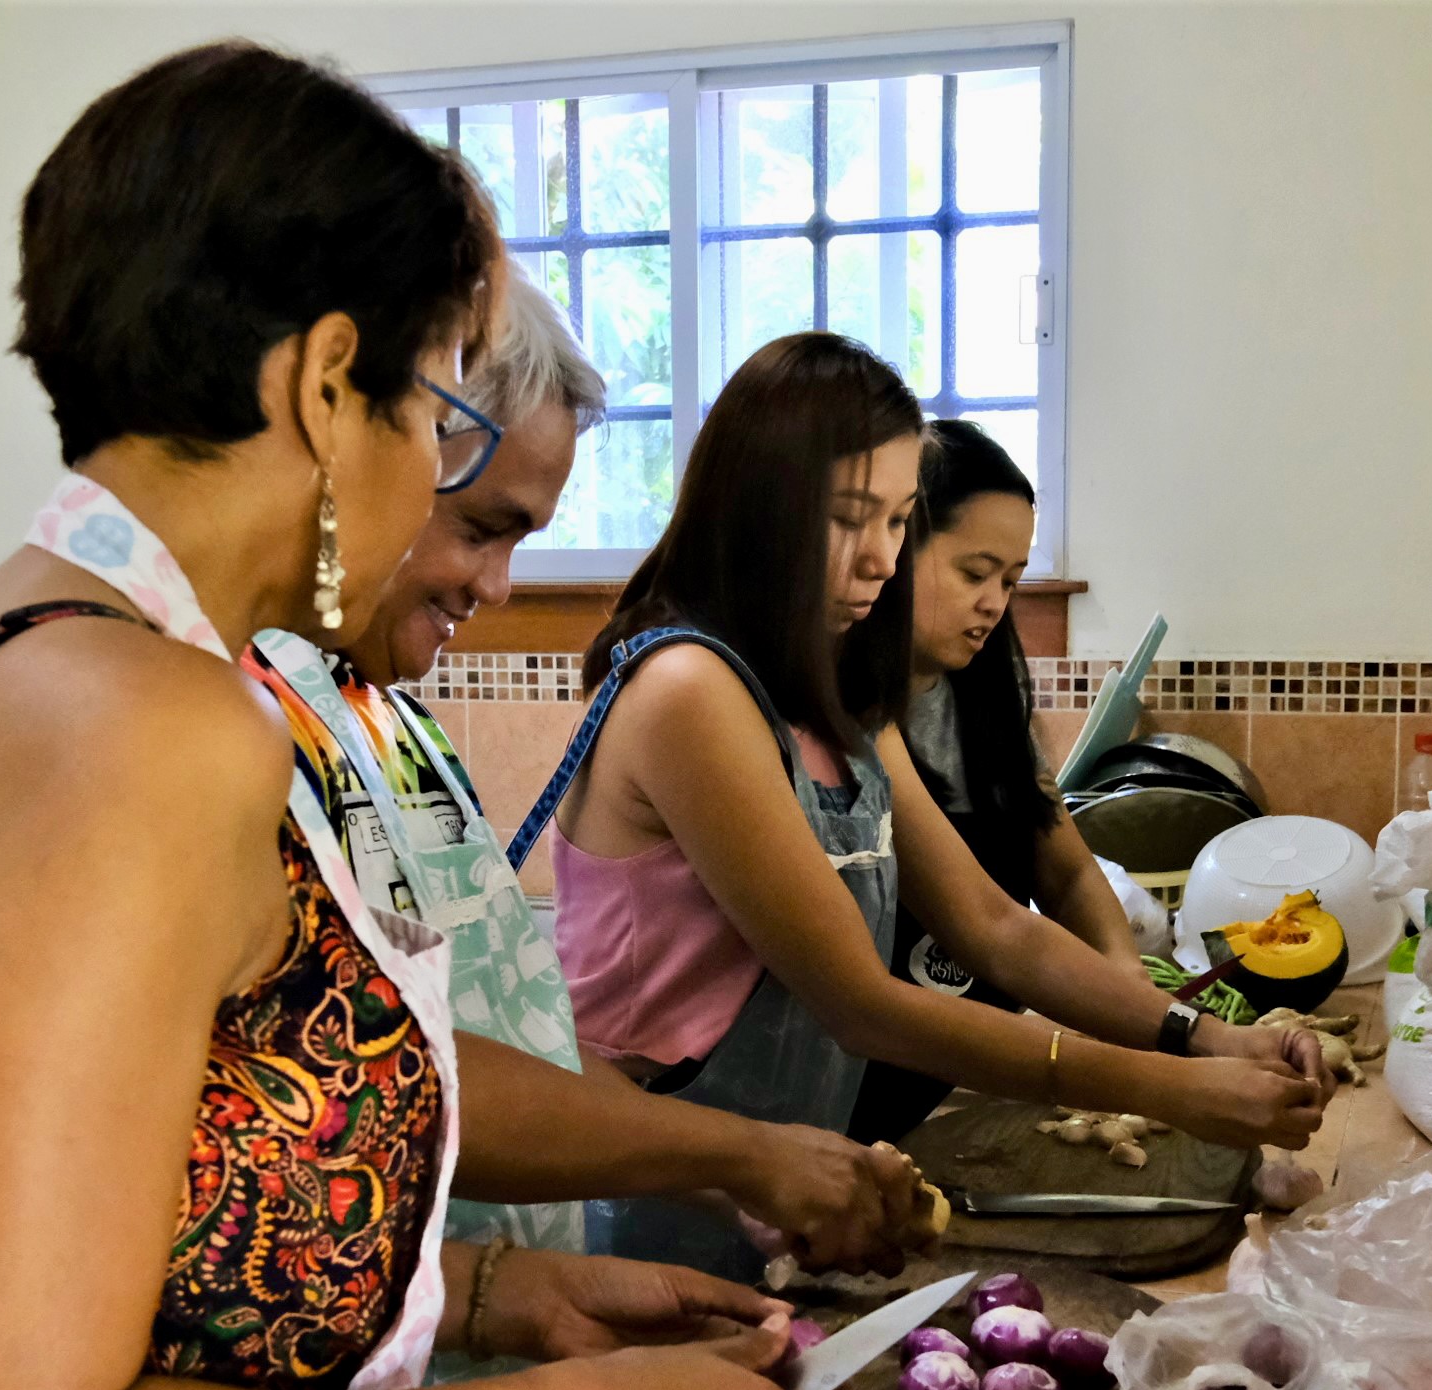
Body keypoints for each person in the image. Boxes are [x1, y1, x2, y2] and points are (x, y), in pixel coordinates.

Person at [0, 45, 824, 1390]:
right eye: (434, 420)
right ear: (318, 383)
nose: (434, 479)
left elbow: (171, 1170)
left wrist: (485, 1289)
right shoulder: (132, 729)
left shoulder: (46, 648)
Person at [248, 273, 924, 1390]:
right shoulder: (194, 731)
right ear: (338, 431)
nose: (501, 585)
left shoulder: (377, 717)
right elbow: (359, 1107)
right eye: (482, 525)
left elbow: (442, 1043)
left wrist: (513, 1289)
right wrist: (727, 1154)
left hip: (452, 1357)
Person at [518, 332, 1333, 1282]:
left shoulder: (834, 699)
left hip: (774, 1191)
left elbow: (996, 926)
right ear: (761, 506)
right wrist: (1178, 1087)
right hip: (640, 1198)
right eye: (848, 517)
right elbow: (863, 1006)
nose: (879, 560)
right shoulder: (690, 690)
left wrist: (1207, 1037)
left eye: (899, 521)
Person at [849, 419, 1149, 1143]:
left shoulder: (987, 685)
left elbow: (1065, 868)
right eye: (974, 572)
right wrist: (1166, 1053)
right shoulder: (844, 705)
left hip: (972, 1082)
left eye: (1010, 581)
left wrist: (1130, 996)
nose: (994, 603)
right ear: (896, 549)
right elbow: (989, 927)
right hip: (865, 1094)